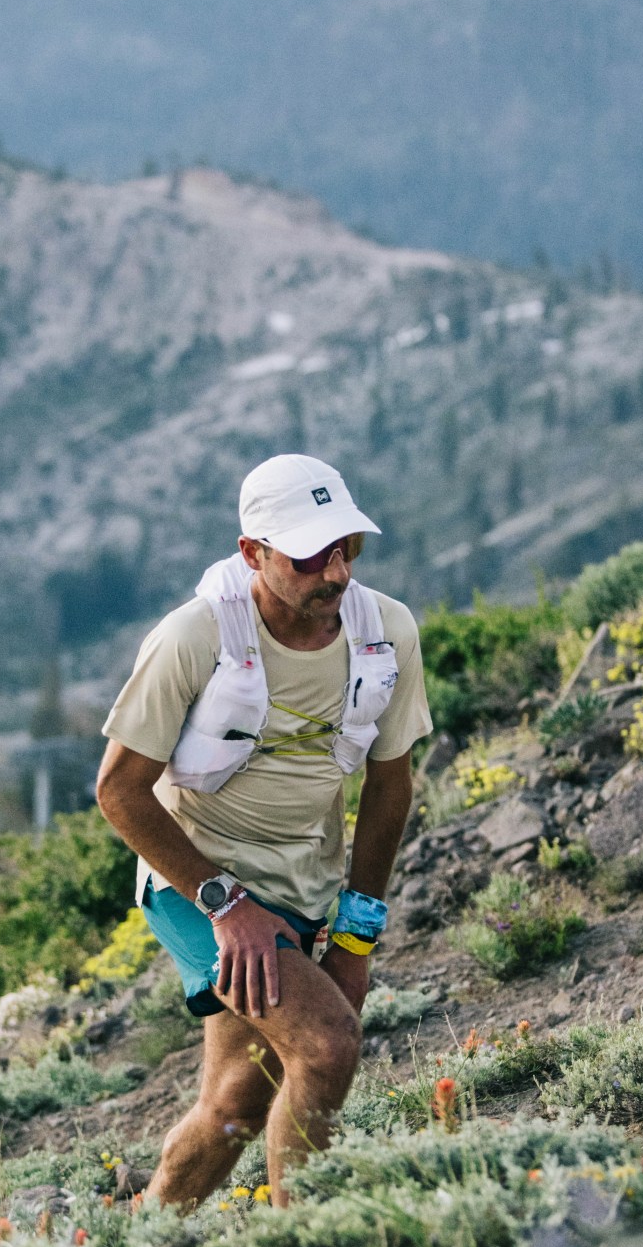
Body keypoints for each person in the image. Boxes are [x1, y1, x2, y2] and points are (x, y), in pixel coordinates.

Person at [96, 453, 432, 1206]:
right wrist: (227, 906)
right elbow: (118, 791)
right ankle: (305, 1243)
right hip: (197, 882)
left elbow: (390, 786)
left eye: (347, 547)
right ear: (254, 553)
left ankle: (148, 1239)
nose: (336, 572)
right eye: (311, 556)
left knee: (238, 1102)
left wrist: (355, 939)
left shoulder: (387, 633)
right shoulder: (193, 638)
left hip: (305, 884)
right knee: (327, 1045)